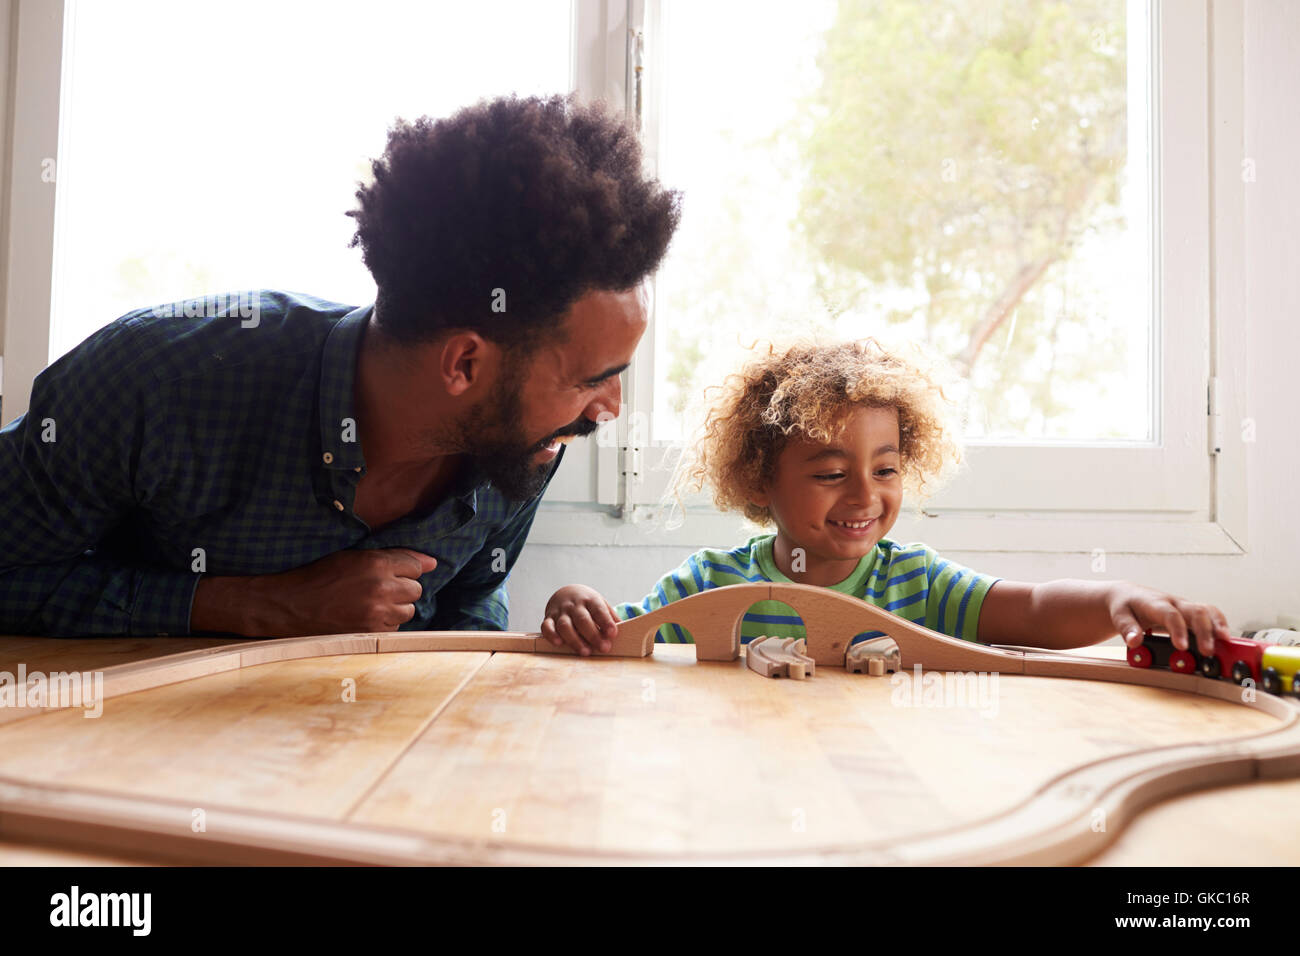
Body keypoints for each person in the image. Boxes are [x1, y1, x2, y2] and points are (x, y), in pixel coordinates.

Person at [0, 93, 681, 638]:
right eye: (593, 378)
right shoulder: (153, 383)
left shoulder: (524, 444)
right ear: (464, 364)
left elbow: (471, 603)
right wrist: (251, 606)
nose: (610, 407)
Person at [539, 338, 1233, 657]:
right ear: (759, 479)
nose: (864, 496)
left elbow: (1033, 609)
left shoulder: (917, 583)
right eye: (831, 473)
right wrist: (573, 602)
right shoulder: (711, 584)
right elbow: (614, 636)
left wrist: (1117, 600)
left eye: (887, 469)